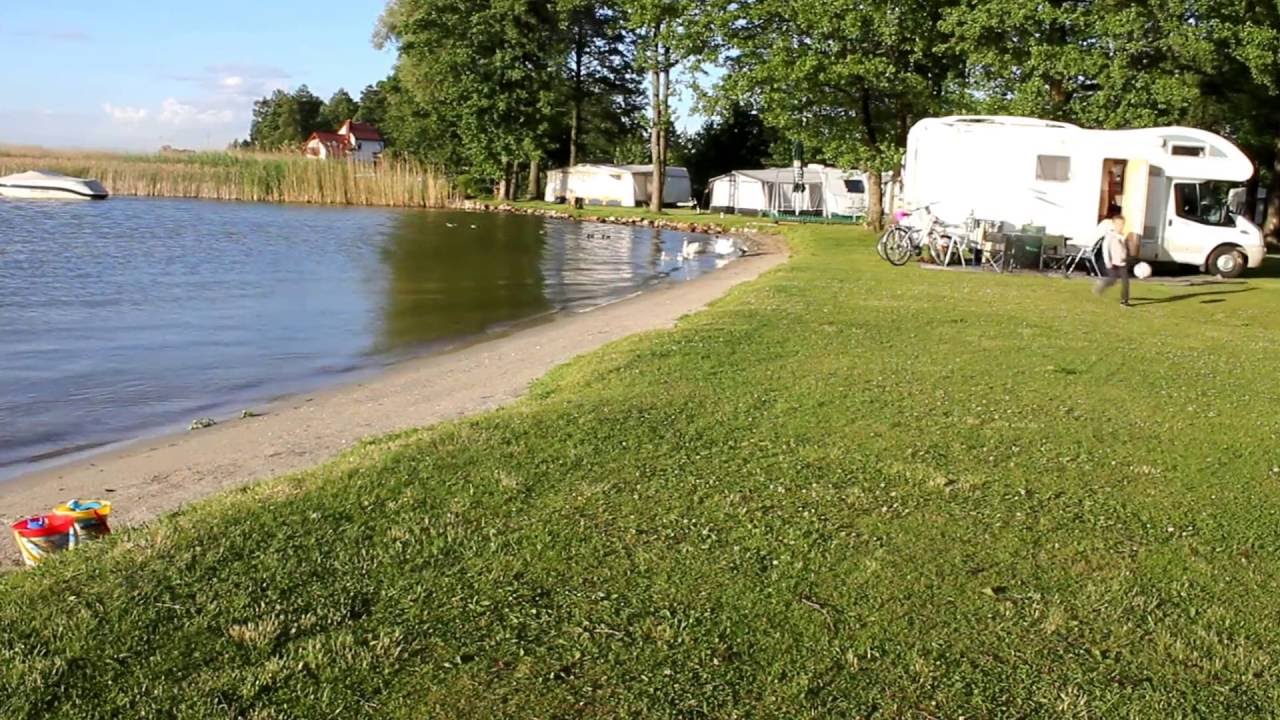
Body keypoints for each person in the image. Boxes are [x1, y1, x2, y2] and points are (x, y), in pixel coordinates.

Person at [1092, 212, 1131, 305]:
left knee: (1126, 282)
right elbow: (1105, 249)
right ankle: (1102, 284)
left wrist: (1127, 258)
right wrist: (1107, 261)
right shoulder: (1110, 236)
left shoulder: (1123, 236)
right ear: (1113, 225)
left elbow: (1125, 250)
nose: (1120, 226)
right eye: (1118, 224)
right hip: (1113, 263)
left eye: (1122, 224)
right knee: (1112, 280)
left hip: (1122, 263)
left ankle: (1124, 300)